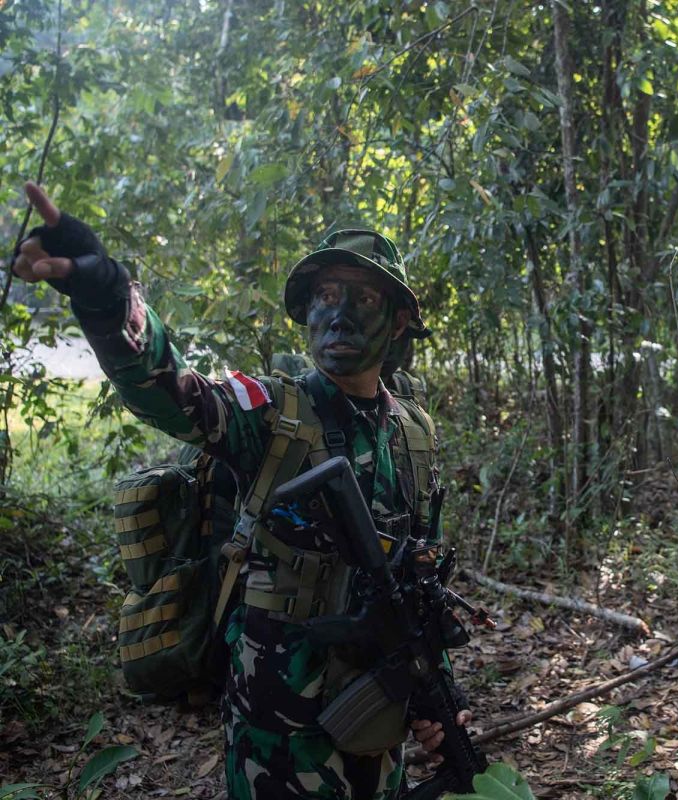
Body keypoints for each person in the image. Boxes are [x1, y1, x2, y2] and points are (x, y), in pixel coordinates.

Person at [11, 182, 468, 798]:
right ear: (306, 312)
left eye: (363, 297)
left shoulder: (415, 431)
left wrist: (433, 688)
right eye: (325, 295)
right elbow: (173, 393)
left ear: (402, 320)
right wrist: (105, 293)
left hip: (373, 716)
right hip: (278, 728)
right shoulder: (274, 411)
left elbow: (421, 580)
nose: (339, 312)